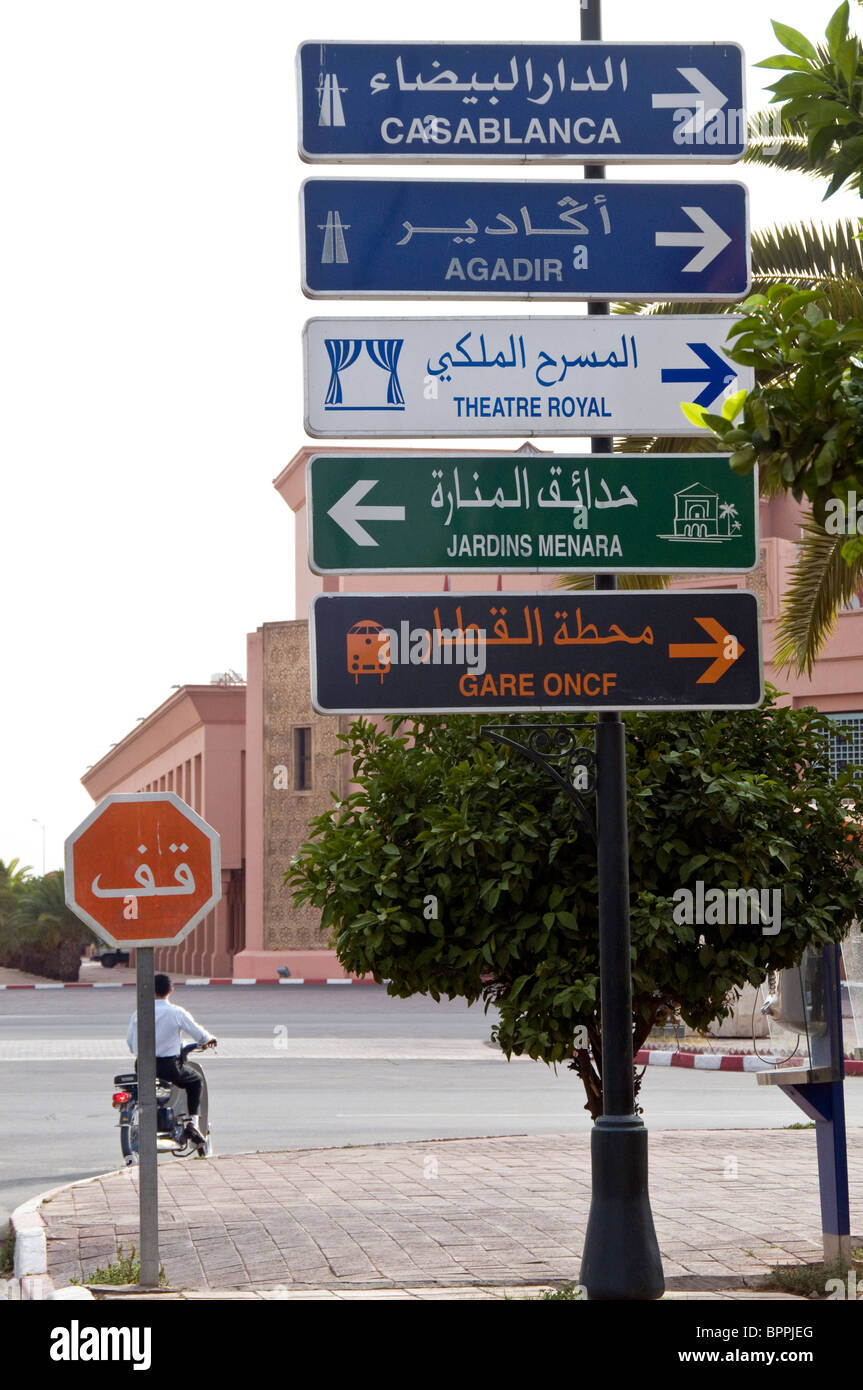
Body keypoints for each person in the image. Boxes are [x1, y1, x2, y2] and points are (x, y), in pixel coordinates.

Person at [126, 973, 217, 1147]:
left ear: (150, 991)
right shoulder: (176, 1012)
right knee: (195, 1081)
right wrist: (209, 1039)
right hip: (168, 1067)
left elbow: (130, 1043)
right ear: (170, 990)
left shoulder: (139, 1012)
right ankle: (192, 1123)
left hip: (143, 1066)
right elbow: (200, 1035)